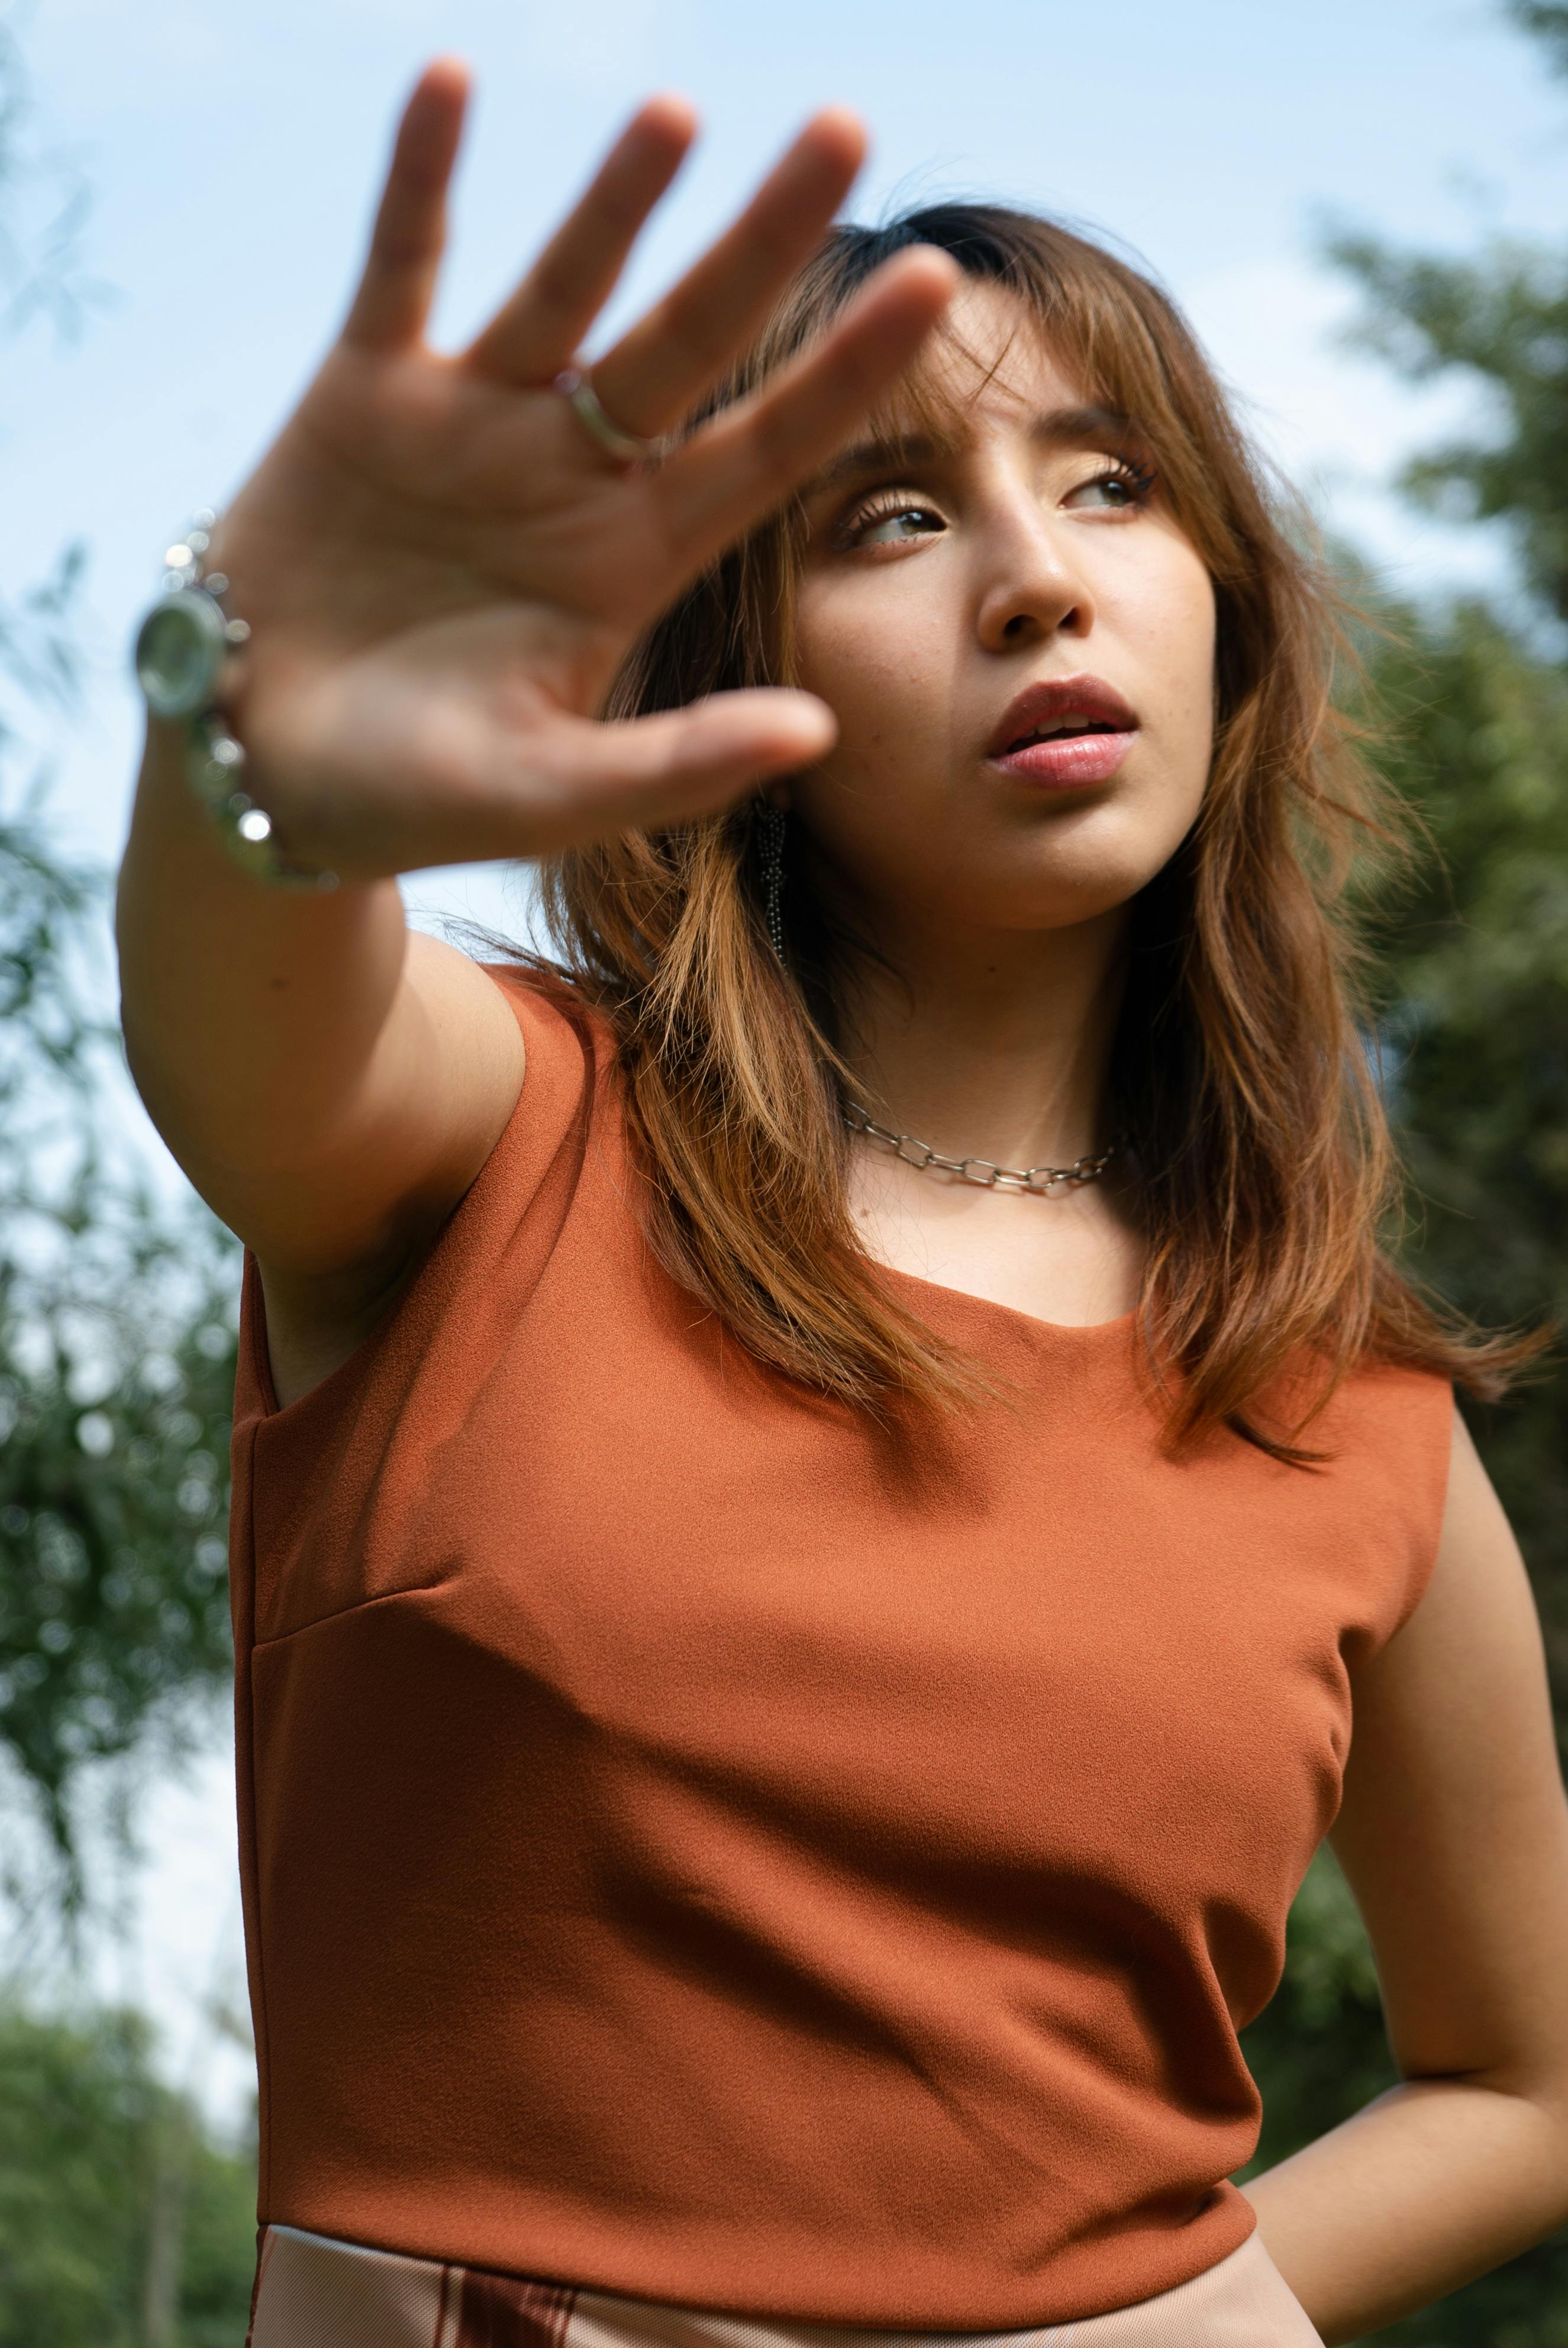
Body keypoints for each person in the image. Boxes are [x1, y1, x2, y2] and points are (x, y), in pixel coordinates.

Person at [116, 59, 1568, 2348]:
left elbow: (1523, 2082)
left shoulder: (1356, 1414)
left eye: (1114, 486)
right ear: (723, 651)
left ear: (1226, 613)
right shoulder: (488, 1133)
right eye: (886, 517)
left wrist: (1180, 2328)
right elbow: (235, 1001)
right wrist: (250, 738)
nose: (1037, 580)